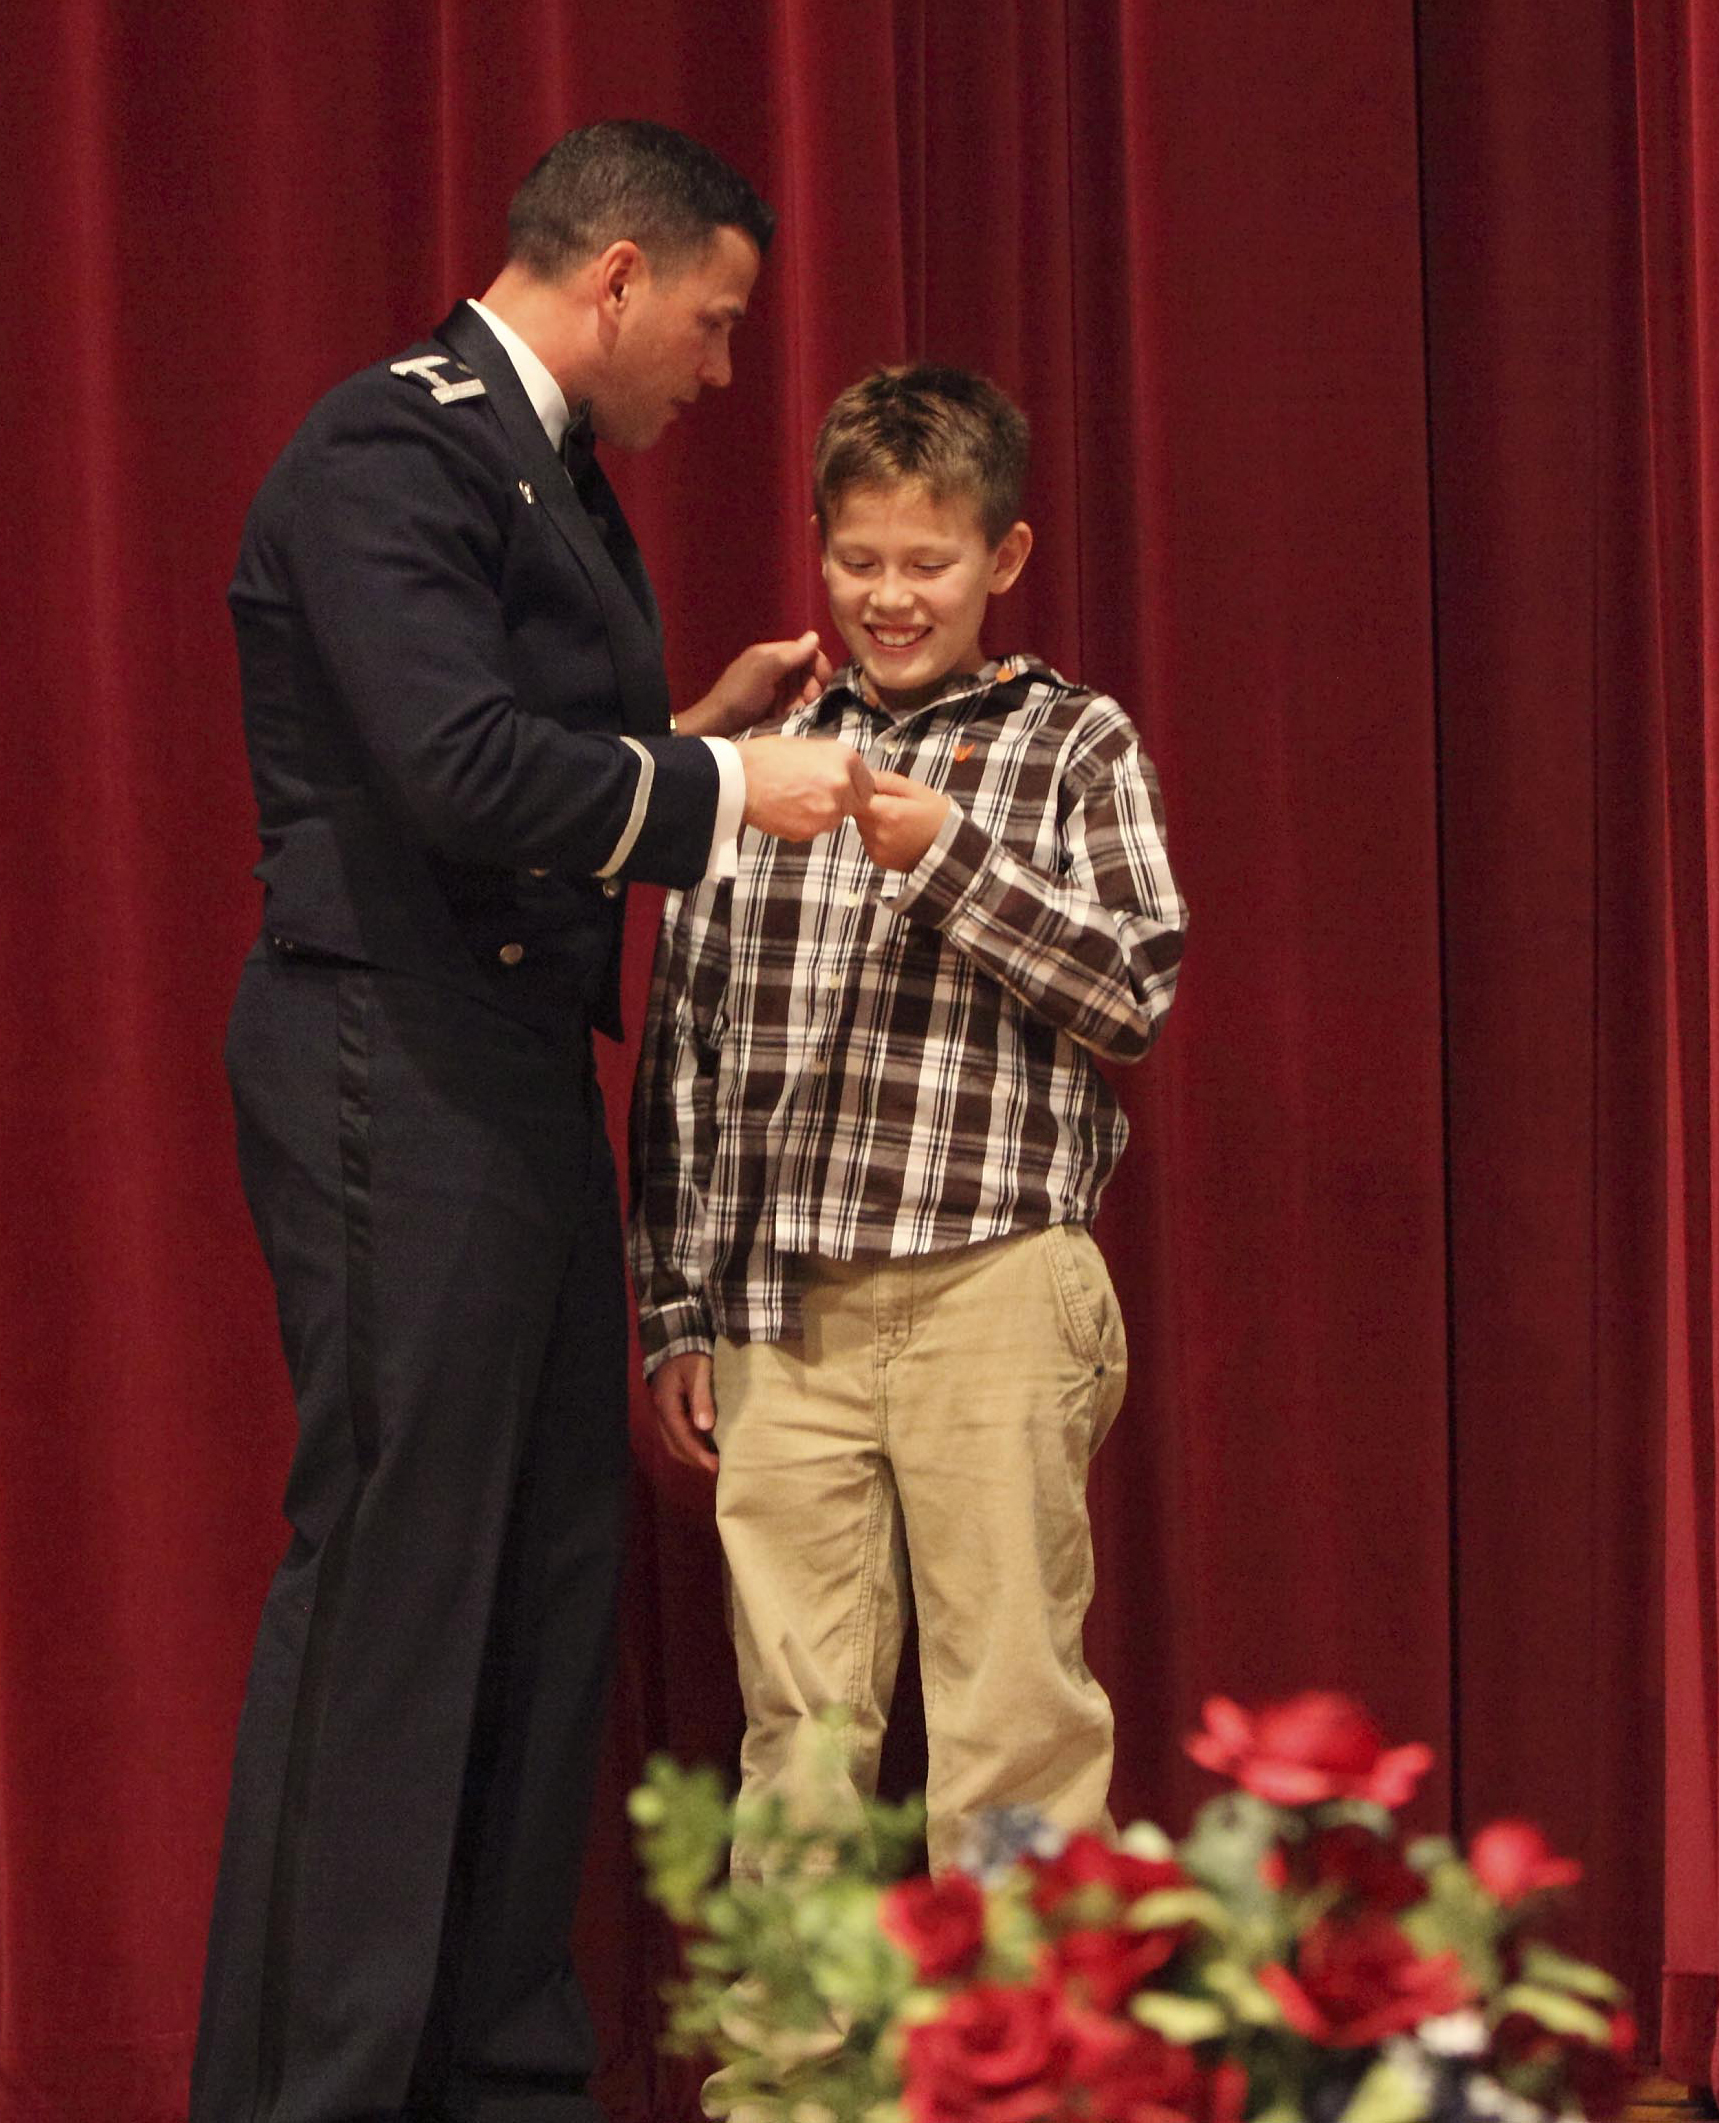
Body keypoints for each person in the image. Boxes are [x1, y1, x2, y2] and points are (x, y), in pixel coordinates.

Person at [195, 120, 871, 2123]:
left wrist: (690, 748)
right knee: (406, 1584)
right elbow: (457, 770)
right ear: (615, 279)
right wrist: (729, 800)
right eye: (716, 323)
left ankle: (491, 2077)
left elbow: (537, 749)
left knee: (539, 1588)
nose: (721, 373)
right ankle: (317, 2090)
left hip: (505, 1075)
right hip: (385, 1061)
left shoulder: (531, 462)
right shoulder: (385, 451)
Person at [630, 364, 1189, 1892]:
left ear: (1002, 561)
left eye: (927, 563)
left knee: (1010, 1723)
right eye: (858, 560)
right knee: (796, 1730)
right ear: (819, 552)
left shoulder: (1073, 745)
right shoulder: (766, 764)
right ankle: (790, 2086)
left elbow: (1134, 990)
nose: (890, 597)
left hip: (992, 1284)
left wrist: (949, 859)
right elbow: (686, 1050)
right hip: (786, 1312)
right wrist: (682, 1306)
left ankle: (1019, 2080)